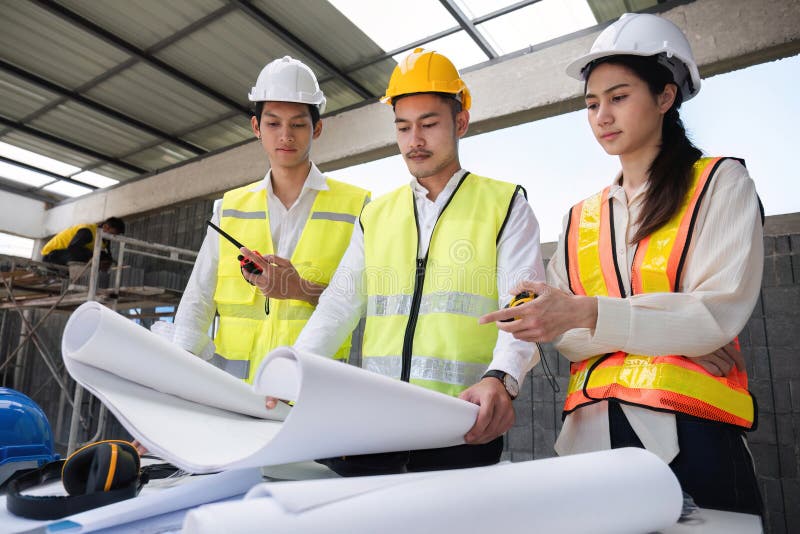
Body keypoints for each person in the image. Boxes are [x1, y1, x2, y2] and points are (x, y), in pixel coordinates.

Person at [480, 14, 763, 514]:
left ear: (665, 97)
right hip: (590, 444)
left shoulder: (718, 184)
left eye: (619, 97)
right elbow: (565, 337)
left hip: (693, 439)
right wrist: (672, 333)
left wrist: (591, 315)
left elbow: (712, 315)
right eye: (592, 104)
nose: (602, 116)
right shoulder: (579, 217)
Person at [246, 48, 544, 475]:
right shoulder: (376, 215)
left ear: (460, 122)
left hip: (461, 425)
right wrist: (294, 371)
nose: (414, 140)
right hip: (379, 425)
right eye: (403, 127)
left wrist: (502, 378)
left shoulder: (505, 205)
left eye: (429, 124)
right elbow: (338, 306)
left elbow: (523, 307)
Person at [170, 56, 370, 383]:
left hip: (309, 391)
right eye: (273, 124)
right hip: (233, 391)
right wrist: (173, 379)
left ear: (317, 128)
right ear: (256, 128)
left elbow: (362, 303)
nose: (285, 136)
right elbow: (198, 300)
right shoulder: (230, 208)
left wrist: (300, 289)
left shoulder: (357, 207)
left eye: (298, 124)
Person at [41, 217, 124, 271]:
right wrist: (95, 258)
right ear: (105, 227)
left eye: (115, 235)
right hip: (51, 256)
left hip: (66, 255)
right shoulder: (87, 231)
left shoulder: (105, 239)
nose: (113, 237)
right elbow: (73, 248)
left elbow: (107, 255)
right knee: (89, 255)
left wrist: (109, 261)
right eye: (113, 234)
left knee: (101, 256)